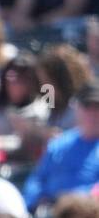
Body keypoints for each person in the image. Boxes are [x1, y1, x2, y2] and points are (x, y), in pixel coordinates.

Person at [21, 82, 99, 210]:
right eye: (87, 107)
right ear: (77, 108)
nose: (93, 114)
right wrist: (35, 199)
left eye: (97, 107)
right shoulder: (59, 144)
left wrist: (73, 200)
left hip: (90, 216)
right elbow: (37, 179)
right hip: (51, 214)